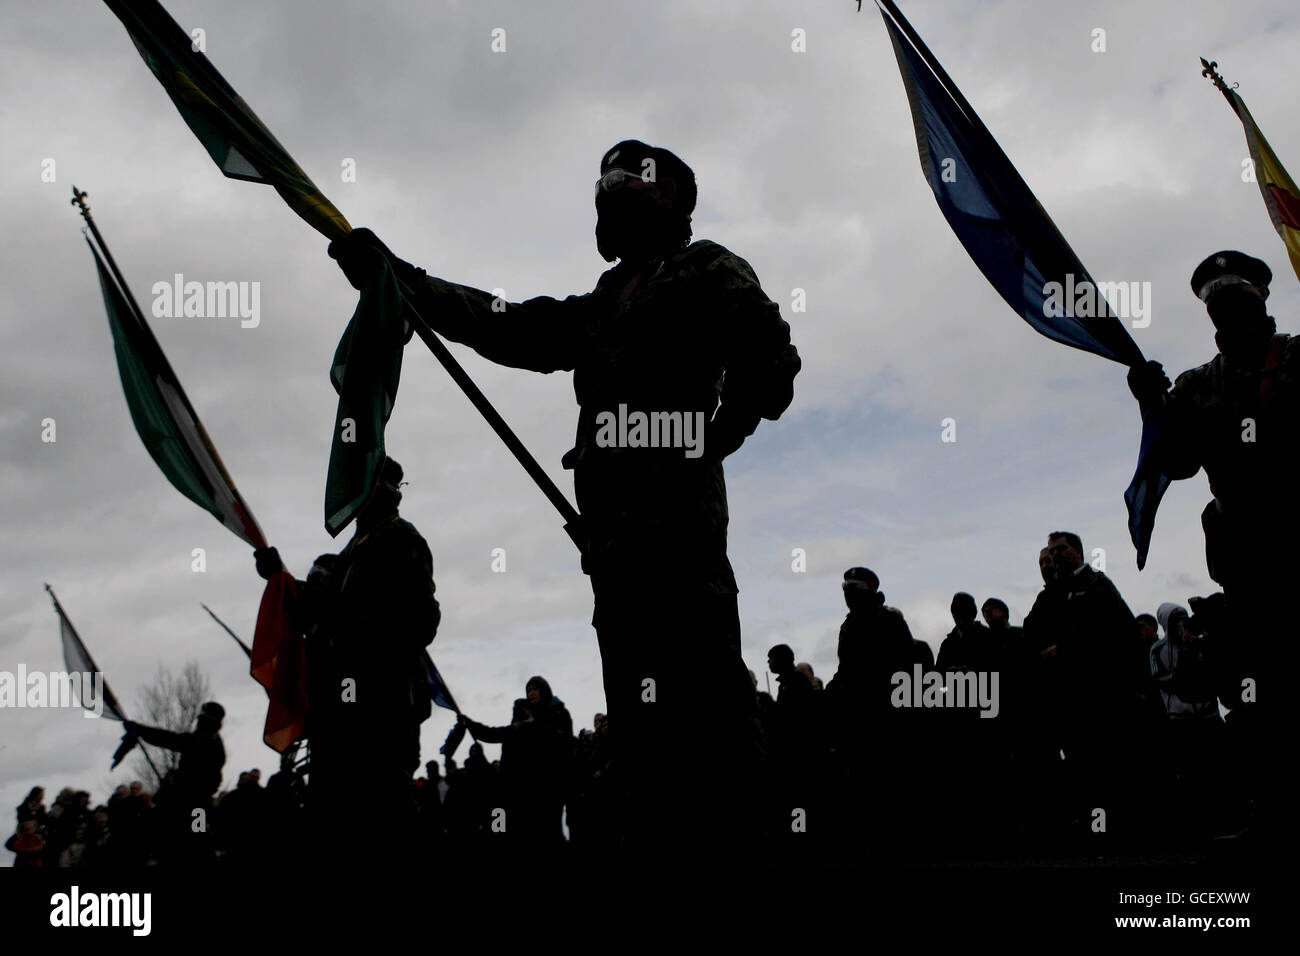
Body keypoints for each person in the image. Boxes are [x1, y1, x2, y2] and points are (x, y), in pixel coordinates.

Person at [327, 140, 801, 848]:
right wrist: (403, 280)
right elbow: (507, 324)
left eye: (626, 176)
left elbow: (772, 366)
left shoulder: (707, 271)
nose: (608, 189)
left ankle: (748, 851)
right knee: (641, 728)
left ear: (667, 195)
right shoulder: (604, 304)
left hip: (678, 539)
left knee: (709, 709)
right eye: (603, 179)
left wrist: (699, 444)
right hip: (612, 552)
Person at [1126, 250, 1295, 843]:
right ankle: (1272, 815)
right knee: (1255, 687)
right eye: (1215, 297)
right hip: (1247, 559)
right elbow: (1179, 461)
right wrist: (1153, 402)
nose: (1226, 302)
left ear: (1262, 297)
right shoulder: (1199, 384)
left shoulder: (1296, 357)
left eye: (1236, 292)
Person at [254, 456, 440, 856]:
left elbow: (423, 621)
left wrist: (363, 632)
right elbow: (317, 606)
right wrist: (279, 578)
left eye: (388, 488)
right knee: (332, 821)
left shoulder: (402, 540)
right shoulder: (350, 553)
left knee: (384, 818)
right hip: (338, 714)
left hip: (381, 709)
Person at [460, 676, 574, 847]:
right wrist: (470, 724)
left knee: (548, 838)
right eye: (528, 690)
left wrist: (537, 726)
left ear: (544, 690)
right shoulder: (520, 723)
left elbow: (565, 742)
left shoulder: (558, 714)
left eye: (535, 689)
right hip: (517, 792)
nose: (531, 693)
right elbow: (495, 734)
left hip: (547, 791)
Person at [122, 702, 227, 865]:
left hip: (191, 806)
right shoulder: (211, 743)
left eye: (202, 720)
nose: (198, 723)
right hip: (195, 806)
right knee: (192, 842)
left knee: (190, 845)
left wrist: (140, 730)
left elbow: (169, 739)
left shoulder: (204, 743)